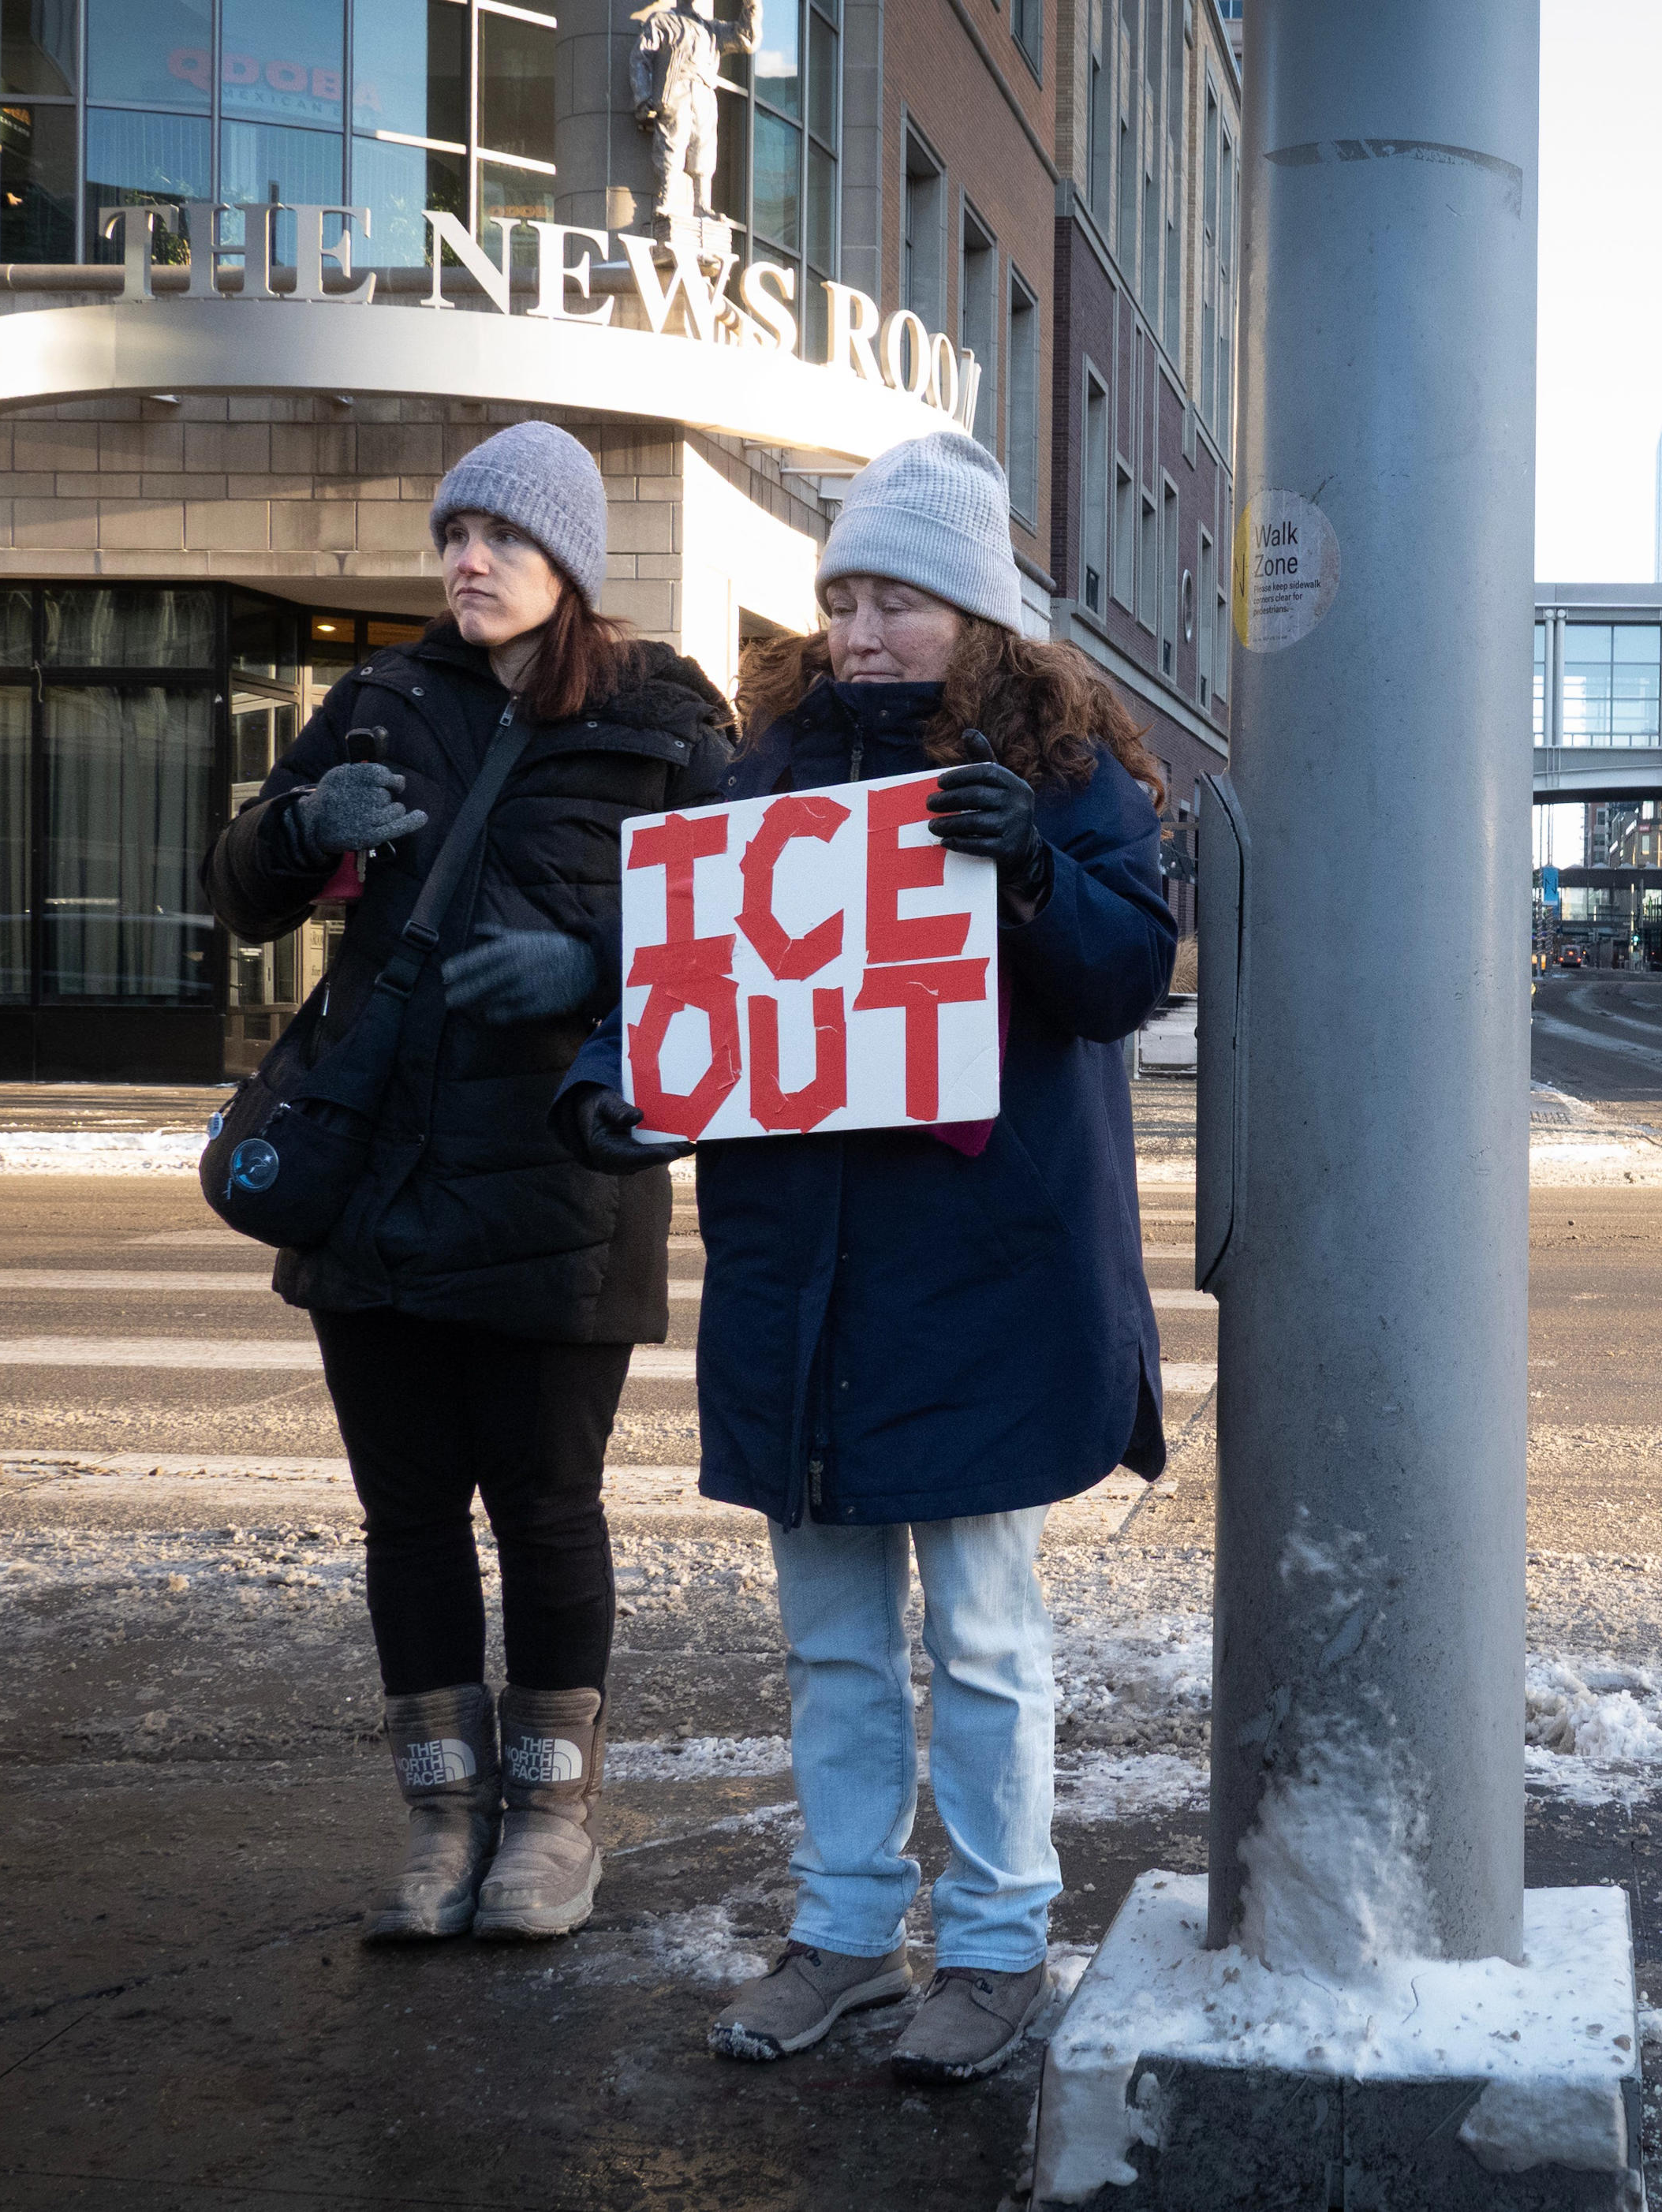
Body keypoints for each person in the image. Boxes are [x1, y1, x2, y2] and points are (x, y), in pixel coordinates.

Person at [553, 429, 1175, 2085]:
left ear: (978, 615)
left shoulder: (1061, 768)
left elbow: (1127, 978)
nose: (860, 631)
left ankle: (991, 1947)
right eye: (843, 598)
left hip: (979, 1275)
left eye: (898, 598)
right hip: (801, 1277)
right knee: (831, 1639)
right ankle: (843, 1933)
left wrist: (1035, 870)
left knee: (981, 1633)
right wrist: (616, 1087)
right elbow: (679, 985)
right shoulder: (763, 776)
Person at [203, 420, 731, 1948]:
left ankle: (550, 1827)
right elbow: (237, 891)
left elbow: (760, 930)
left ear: (569, 559)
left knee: (548, 1511)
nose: (468, 559)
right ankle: (443, 1820)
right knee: (409, 1516)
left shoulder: (667, 722)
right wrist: (296, 828)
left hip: (561, 1179)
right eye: (454, 535)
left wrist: (597, 961)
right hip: (379, 1172)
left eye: (500, 535)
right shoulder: (375, 698)